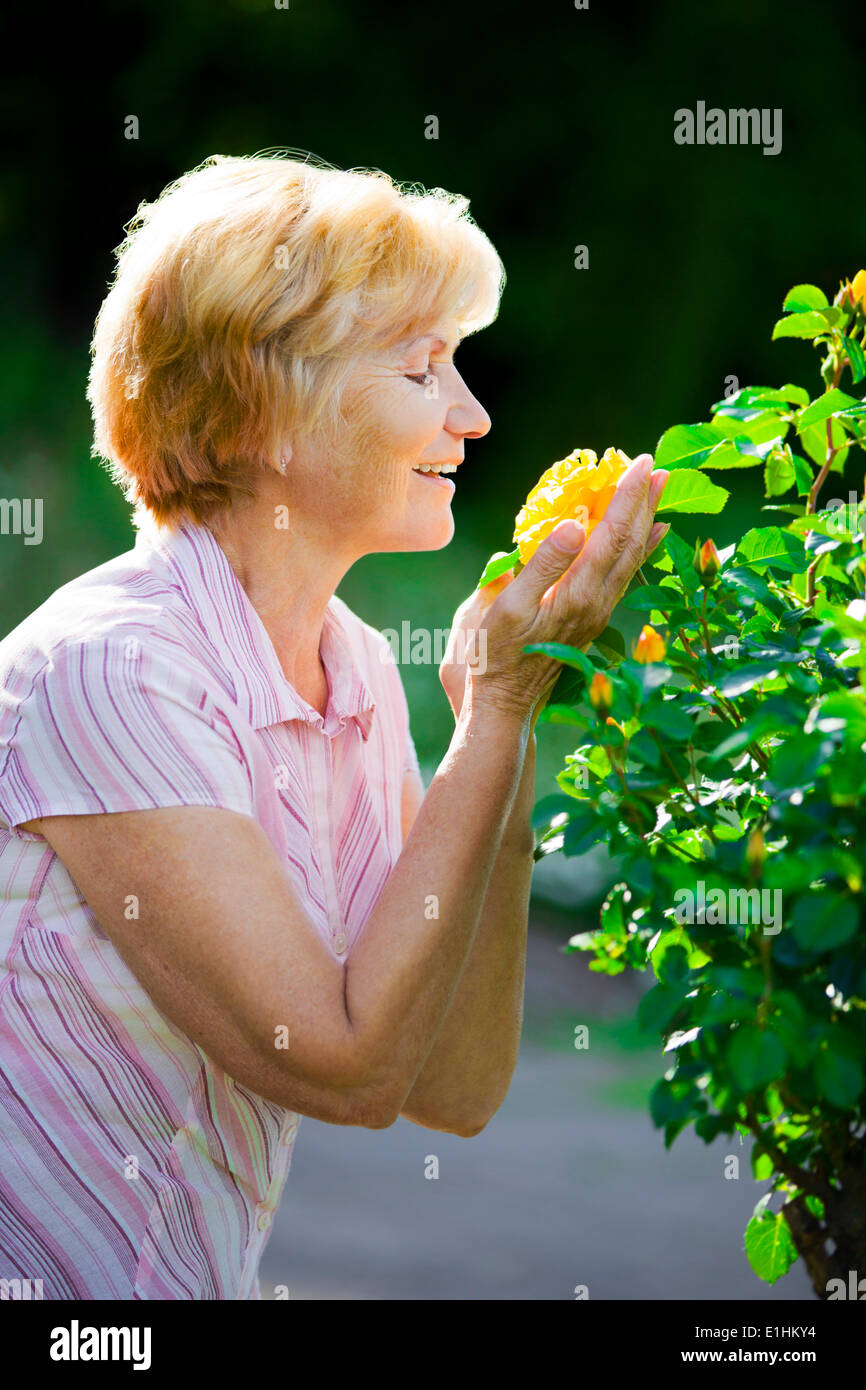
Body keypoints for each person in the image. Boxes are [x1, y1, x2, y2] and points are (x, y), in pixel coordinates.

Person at [0, 152, 669, 1299]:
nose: (470, 413)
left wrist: (494, 731)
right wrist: (495, 716)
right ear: (266, 415)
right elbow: (345, 1066)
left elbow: (447, 1085)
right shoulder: (110, 669)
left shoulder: (348, 662)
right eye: (420, 368)